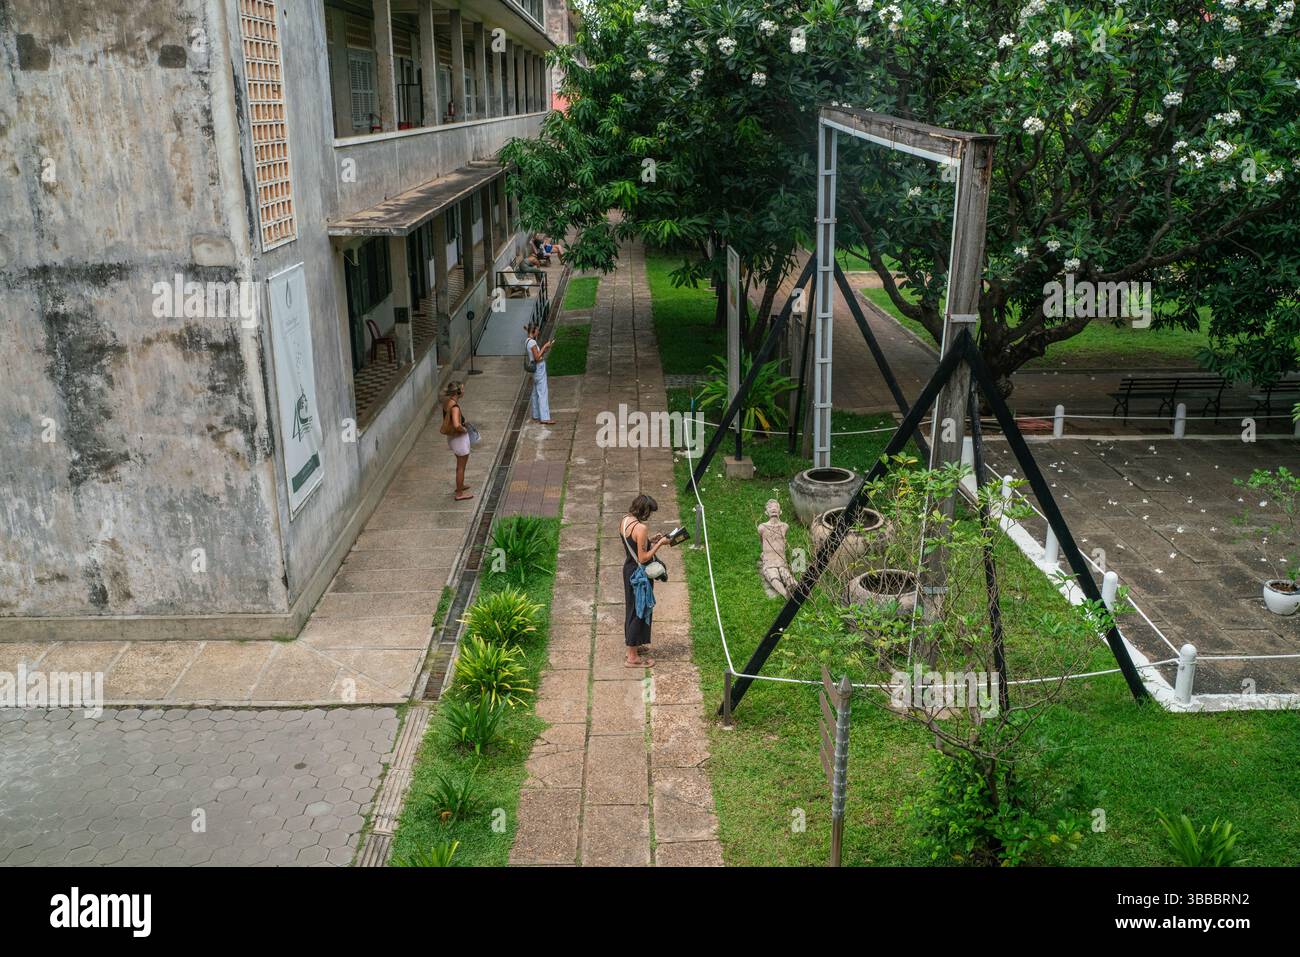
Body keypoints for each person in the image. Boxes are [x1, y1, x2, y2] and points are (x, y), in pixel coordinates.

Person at [620, 494, 668, 668]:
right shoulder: (641, 528)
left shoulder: (625, 520)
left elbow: (633, 544)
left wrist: (650, 541)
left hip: (628, 569)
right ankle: (632, 658)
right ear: (644, 510)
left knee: (632, 608)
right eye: (649, 512)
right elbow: (643, 557)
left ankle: (633, 646)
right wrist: (660, 544)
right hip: (638, 575)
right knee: (639, 610)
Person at [440, 380, 473, 501]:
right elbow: (456, 425)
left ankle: (461, 485)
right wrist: (464, 429)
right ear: (458, 392)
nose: (464, 391)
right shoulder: (455, 407)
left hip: (452, 438)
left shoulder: (447, 402)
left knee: (460, 465)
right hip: (459, 440)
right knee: (461, 467)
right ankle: (459, 493)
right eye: (462, 389)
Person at [525, 322, 555, 425]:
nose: (538, 331)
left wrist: (544, 350)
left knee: (535, 392)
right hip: (539, 369)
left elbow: (537, 355)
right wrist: (544, 346)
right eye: (537, 330)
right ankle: (545, 418)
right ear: (533, 330)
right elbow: (537, 357)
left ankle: (536, 414)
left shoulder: (528, 341)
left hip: (535, 370)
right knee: (542, 393)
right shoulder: (532, 343)